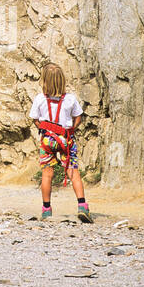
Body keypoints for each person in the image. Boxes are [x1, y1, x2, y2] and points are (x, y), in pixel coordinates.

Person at [31, 62, 91, 222]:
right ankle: (82, 206)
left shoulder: (39, 99)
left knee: (47, 174)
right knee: (73, 172)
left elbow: (35, 120)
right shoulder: (70, 99)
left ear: (44, 81)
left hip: (47, 140)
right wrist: (71, 129)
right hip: (66, 139)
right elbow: (78, 117)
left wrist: (45, 130)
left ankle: (46, 209)